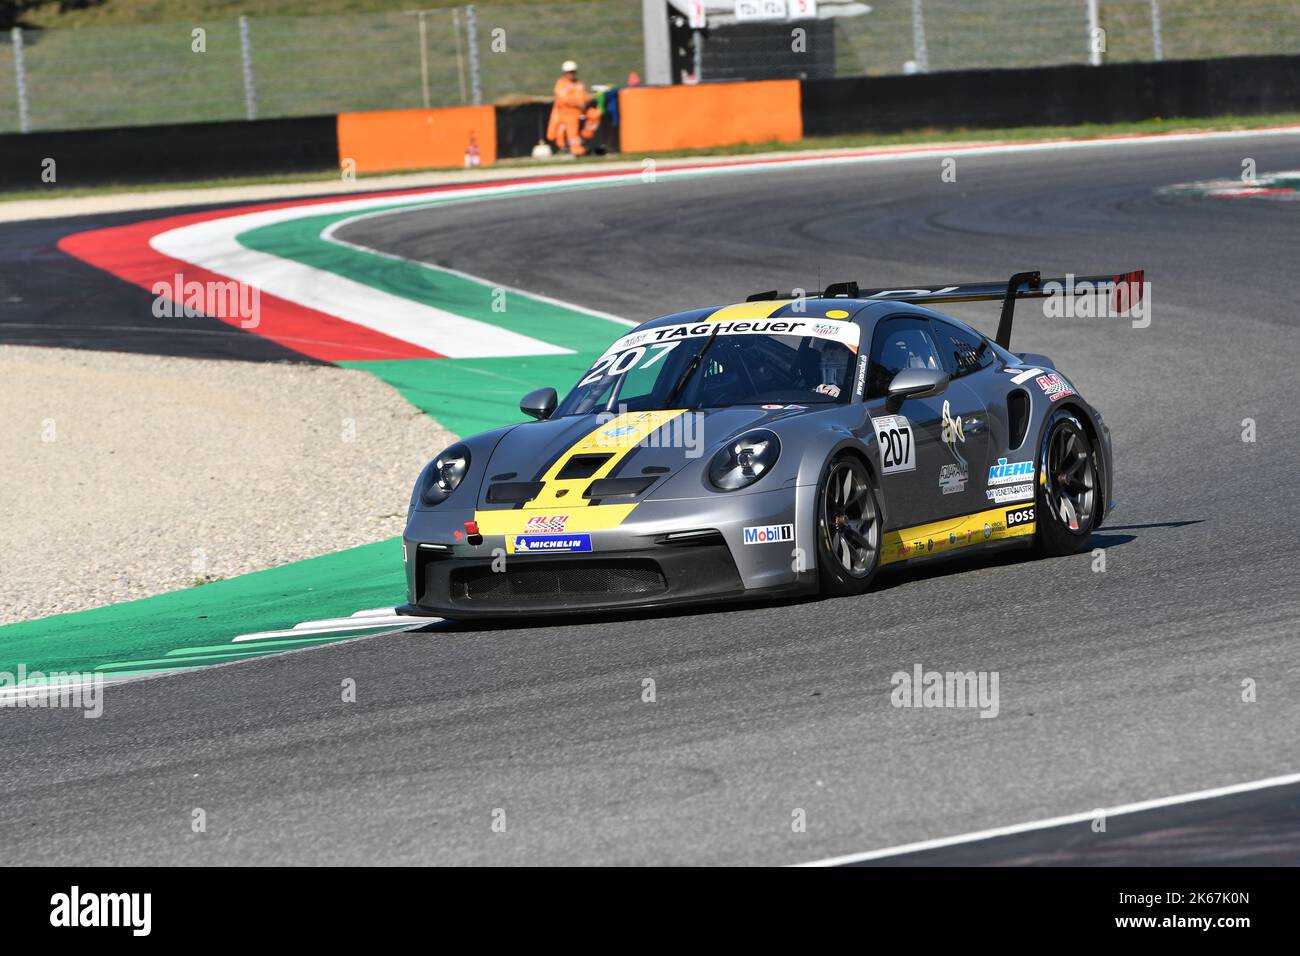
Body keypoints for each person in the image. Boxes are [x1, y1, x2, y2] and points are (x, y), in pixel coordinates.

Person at [547, 60, 600, 157]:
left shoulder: (579, 84)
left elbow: (585, 96)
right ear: (565, 73)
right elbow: (564, 98)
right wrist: (578, 102)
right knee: (572, 126)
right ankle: (577, 151)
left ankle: (586, 134)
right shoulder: (561, 84)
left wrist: (584, 101)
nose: (571, 74)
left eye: (573, 71)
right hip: (567, 112)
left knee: (594, 114)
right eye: (569, 72)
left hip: (581, 110)